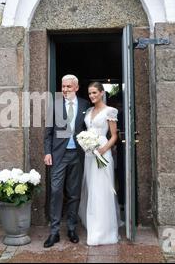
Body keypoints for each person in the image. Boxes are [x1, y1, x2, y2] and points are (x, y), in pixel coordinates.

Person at [43, 74, 90, 248]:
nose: (65, 90)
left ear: (76, 88)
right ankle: (54, 232)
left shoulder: (85, 105)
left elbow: (89, 129)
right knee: (55, 191)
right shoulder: (54, 105)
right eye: (63, 87)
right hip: (58, 156)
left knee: (74, 193)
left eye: (68, 87)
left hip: (78, 155)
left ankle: (71, 228)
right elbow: (48, 132)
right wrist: (47, 152)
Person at [78, 81, 122, 246]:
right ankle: (93, 224)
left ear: (102, 92)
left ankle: (103, 231)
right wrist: (85, 143)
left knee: (102, 190)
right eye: (90, 93)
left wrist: (104, 149)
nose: (92, 96)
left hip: (103, 152)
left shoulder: (110, 111)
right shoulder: (89, 111)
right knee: (91, 188)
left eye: (95, 92)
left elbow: (114, 136)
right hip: (90, 154)